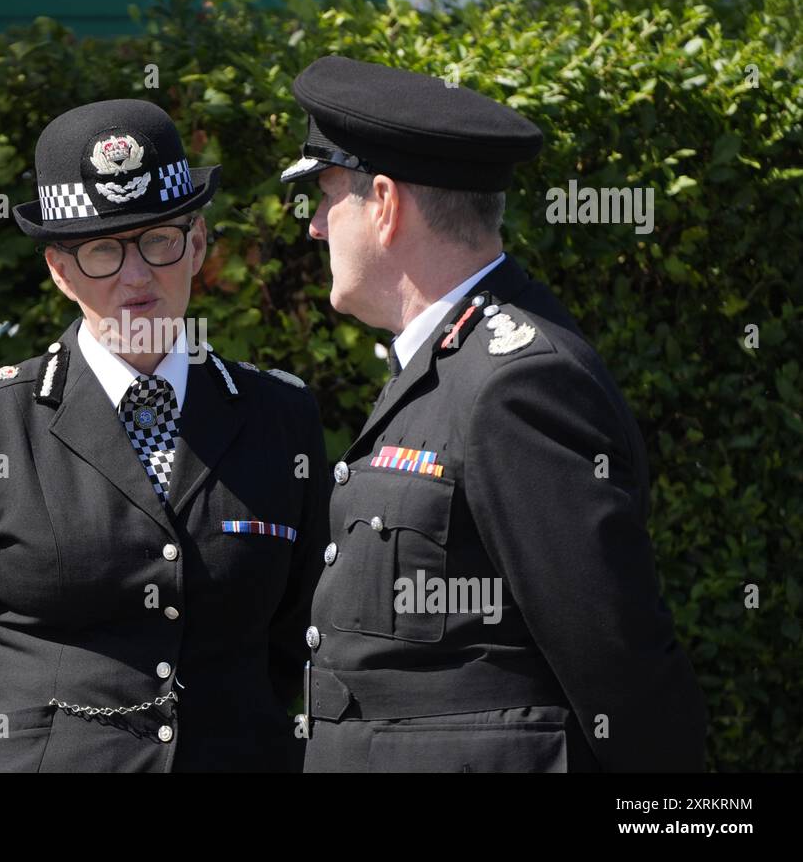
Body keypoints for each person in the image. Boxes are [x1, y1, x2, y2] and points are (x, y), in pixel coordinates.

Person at [0, 98, 330, 772]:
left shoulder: (279, 417)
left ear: (197, 244)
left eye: (158, 240)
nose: (136, 274)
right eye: (102, 251)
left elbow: (295, 638)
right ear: (60, 270)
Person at [283, 55, 706, 772]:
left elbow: (613, 655)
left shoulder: (518, 382)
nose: (317, 228)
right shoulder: (447, 362)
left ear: (384, 204)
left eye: (327, 197)